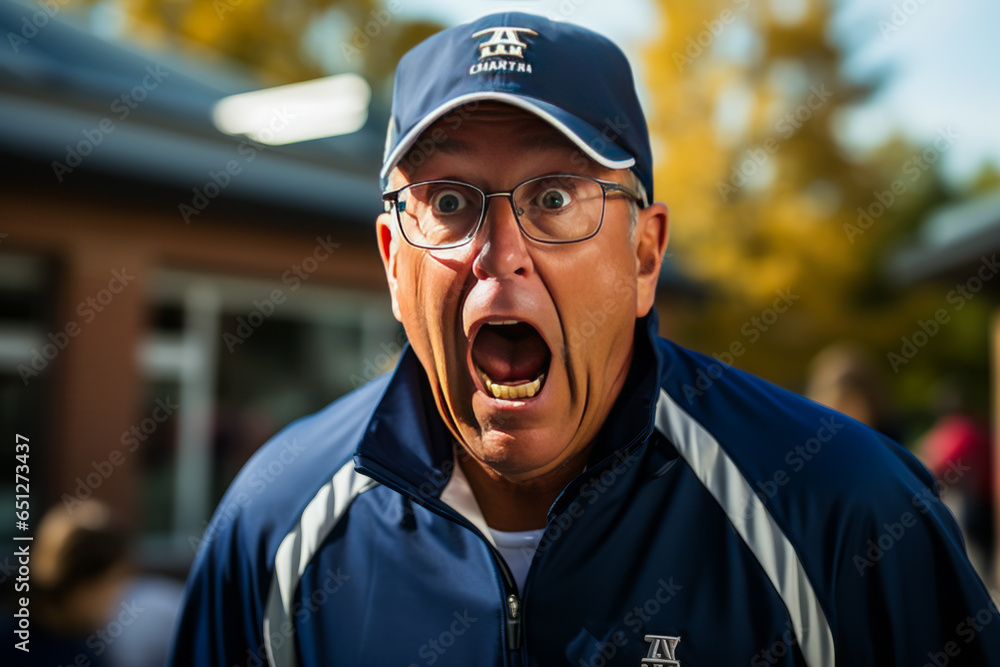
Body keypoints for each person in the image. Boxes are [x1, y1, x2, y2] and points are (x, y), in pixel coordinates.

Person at [167, 12, 1000, 666]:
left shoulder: (844, 514)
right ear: (393, 262)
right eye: (450, 202)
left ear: (644, 256)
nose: (502, 256)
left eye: (557, 198)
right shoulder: (272, 526)